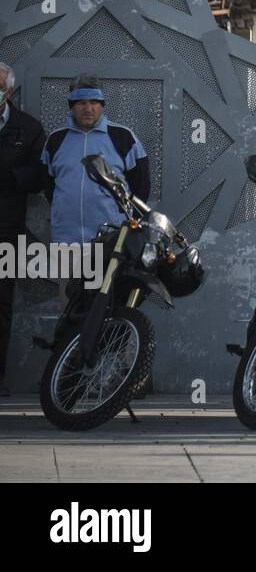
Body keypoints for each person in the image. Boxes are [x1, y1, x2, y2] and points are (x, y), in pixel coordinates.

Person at [42, 75, 149, 245]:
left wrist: (126, 223)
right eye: (81, 103)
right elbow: (48, 185)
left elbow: (141, 186)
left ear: (102, 105)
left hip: (111, 239)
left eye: (94, 102)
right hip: (66, 238)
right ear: (72, 106)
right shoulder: (56, 140)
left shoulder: (123, 137)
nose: (88, 108)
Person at [0, 64, 46, 397]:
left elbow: (43, 173)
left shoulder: (28, 129)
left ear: (10, 92)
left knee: (1, 308)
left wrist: (11, 180)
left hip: (6, 230)